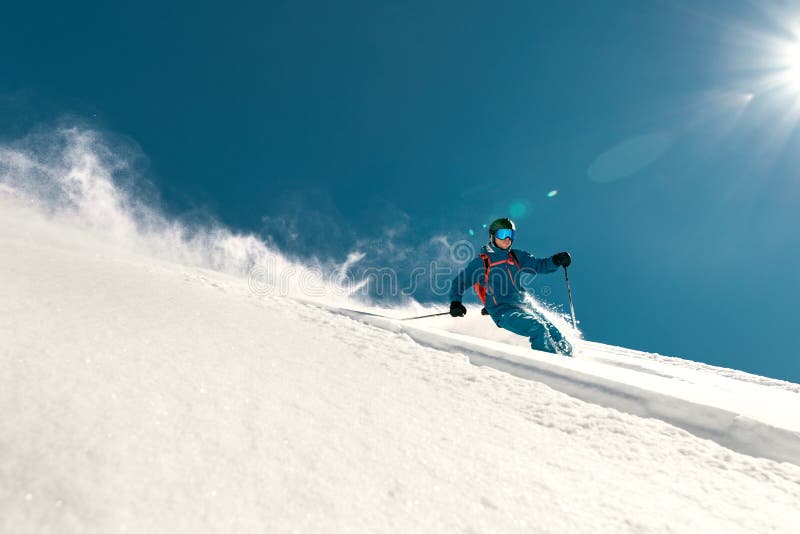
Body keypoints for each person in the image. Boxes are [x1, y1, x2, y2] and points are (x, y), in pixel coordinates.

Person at [449, 217, 573, 356]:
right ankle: (551, 366)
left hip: (524, 305)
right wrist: (455, 303)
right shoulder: (481, 262)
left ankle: (570, 361)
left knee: (555, 334)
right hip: (503, 311)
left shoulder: (516, 256)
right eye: (503, 234)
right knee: (538, 328)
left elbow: (540, 265)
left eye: (511, 234)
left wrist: (556, 260)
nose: (508, 239)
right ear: (492, 236)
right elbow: (459, 282)